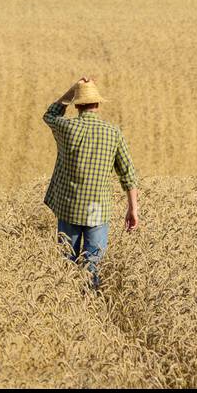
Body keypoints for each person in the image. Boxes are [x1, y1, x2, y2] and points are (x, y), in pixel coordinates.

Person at [42, 77, 139, 289]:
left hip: (69, 206)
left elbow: (49, 115)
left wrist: (72, 90)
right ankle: (90, 301)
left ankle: (68, 305)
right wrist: (133, 209)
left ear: (77, 105)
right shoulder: (113, 133)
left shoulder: (66, 128)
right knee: (92, 266)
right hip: (98, 209)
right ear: (98, 104)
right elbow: (128, 173)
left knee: (67, 265)